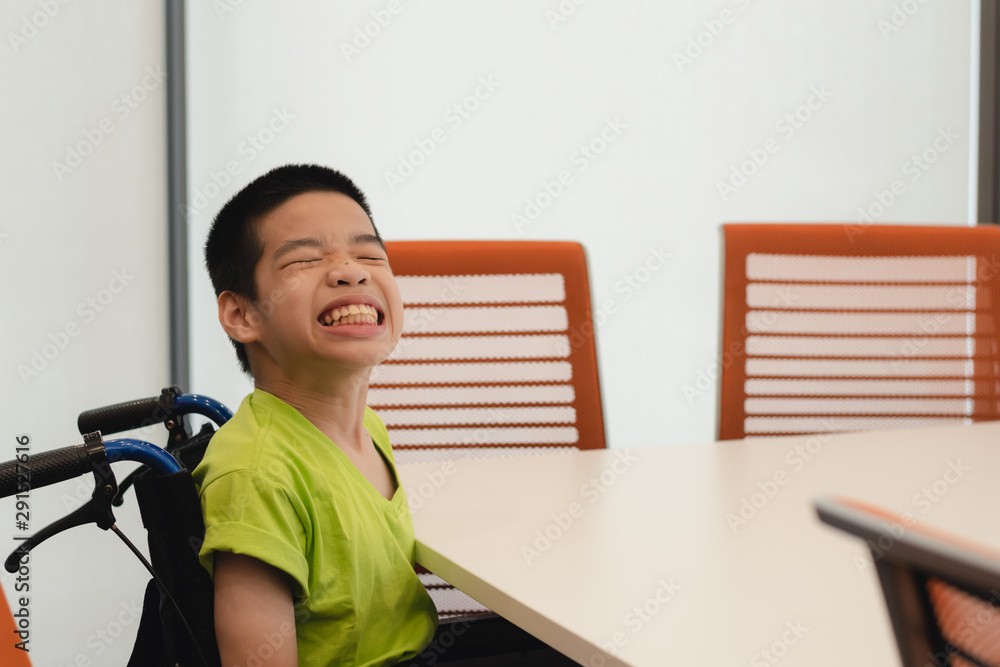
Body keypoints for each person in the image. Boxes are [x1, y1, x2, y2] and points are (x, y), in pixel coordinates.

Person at [194, 163, 438, 666]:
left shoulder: (365, 426)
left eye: (370, 253)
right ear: (243, 315)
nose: (352, 270)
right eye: (305, 260)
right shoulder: (258, 476)